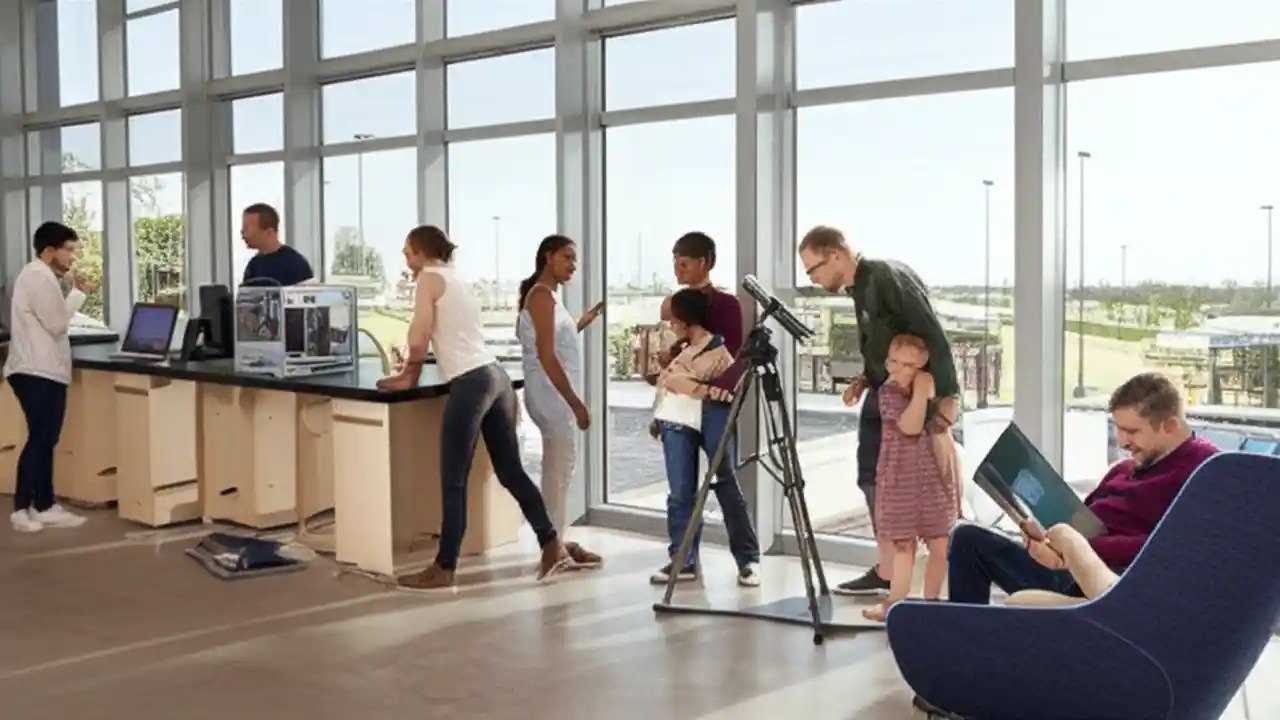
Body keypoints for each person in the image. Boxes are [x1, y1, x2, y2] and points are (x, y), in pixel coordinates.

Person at [379, 225, 595, 590]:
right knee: (510, 471)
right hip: (496, 379)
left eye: (406, 251)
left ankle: (444, 567)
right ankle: (550, 543)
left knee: (453, 478)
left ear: (419, 250)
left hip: (471, 383)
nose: (404, 258)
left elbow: (420, 331)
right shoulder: (456, 278)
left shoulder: (429, 277)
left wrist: (408, 374)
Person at [947, 371, 1218, 605]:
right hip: (1067, 563)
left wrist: (1082, 547)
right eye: (1118, 429)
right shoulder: (1125, 469)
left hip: (1102, 578)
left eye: (1132, 431)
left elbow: (1175, 546)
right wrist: (1044, 542)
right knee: (968, 538)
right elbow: (1079, 517)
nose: (1123, 442)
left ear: (1170, 425)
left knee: (970, 542)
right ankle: (965, 639)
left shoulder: (1203, 470)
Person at [797, 225, 960, 597]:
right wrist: (866, 378)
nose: (813, 278)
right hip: (886, 391)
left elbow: (930, 333)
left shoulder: (883, 277)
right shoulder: (863, 286)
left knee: (904, 483)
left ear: (836, 254)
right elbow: (890, 341)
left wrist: (946, 399)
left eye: (813, 269)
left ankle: (900, 570)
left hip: (913, 397)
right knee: (874, 477)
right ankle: (890, 567)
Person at [649, 233, 761, 587]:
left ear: (705, 262)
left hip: (713, 406)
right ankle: (681, 559)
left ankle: (748, 559)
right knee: (680, 490)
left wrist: (716, 392)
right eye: (675, 262)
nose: (678, 269)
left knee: (724, 480)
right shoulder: (673, 305)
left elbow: (736, 357)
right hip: (679, 410)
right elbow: (669, 357)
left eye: (684, 262)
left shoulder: (726, 304)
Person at [515, 234, 604, 569]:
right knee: (558, 470)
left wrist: (580, 322)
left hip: (548, 393)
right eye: (567, 257)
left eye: (574, 260)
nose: (573, 265)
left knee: (558, 469)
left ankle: (557, 541)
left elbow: (553, 344)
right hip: (551, 395)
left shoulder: (546, 297)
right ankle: (553, 548)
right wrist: (576, 403)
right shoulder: (541, 297)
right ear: (548, 257)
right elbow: (547, 356)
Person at [861, 335, 960, 622]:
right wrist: (920, 393)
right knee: (903, 544)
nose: (902, 371)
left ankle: (932, 602)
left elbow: (944, 421)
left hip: (932, 480)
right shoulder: (888, 393)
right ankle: (896, 604)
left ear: (923, 367)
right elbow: (910, 426)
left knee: (940, 541)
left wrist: (932, 395)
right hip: (899, 479)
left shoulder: (936, 392)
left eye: (911, 366)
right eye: (897, 363)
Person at [5, 221, 89, 533]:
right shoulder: (38, 277)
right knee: (41, 438)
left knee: (46, 438)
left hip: (45, 371)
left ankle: (45, 504)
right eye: (68, 250)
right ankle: (22, 508)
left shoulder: (42, 277)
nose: (72, 257)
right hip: (35, 371)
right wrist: (78, 294)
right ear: (49, 250)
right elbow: (56, 324)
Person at [240, 203, 313, 286]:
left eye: (246, 228)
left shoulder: (296, 264)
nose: (242, 233)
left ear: (269, 232)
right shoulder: (253, 265)